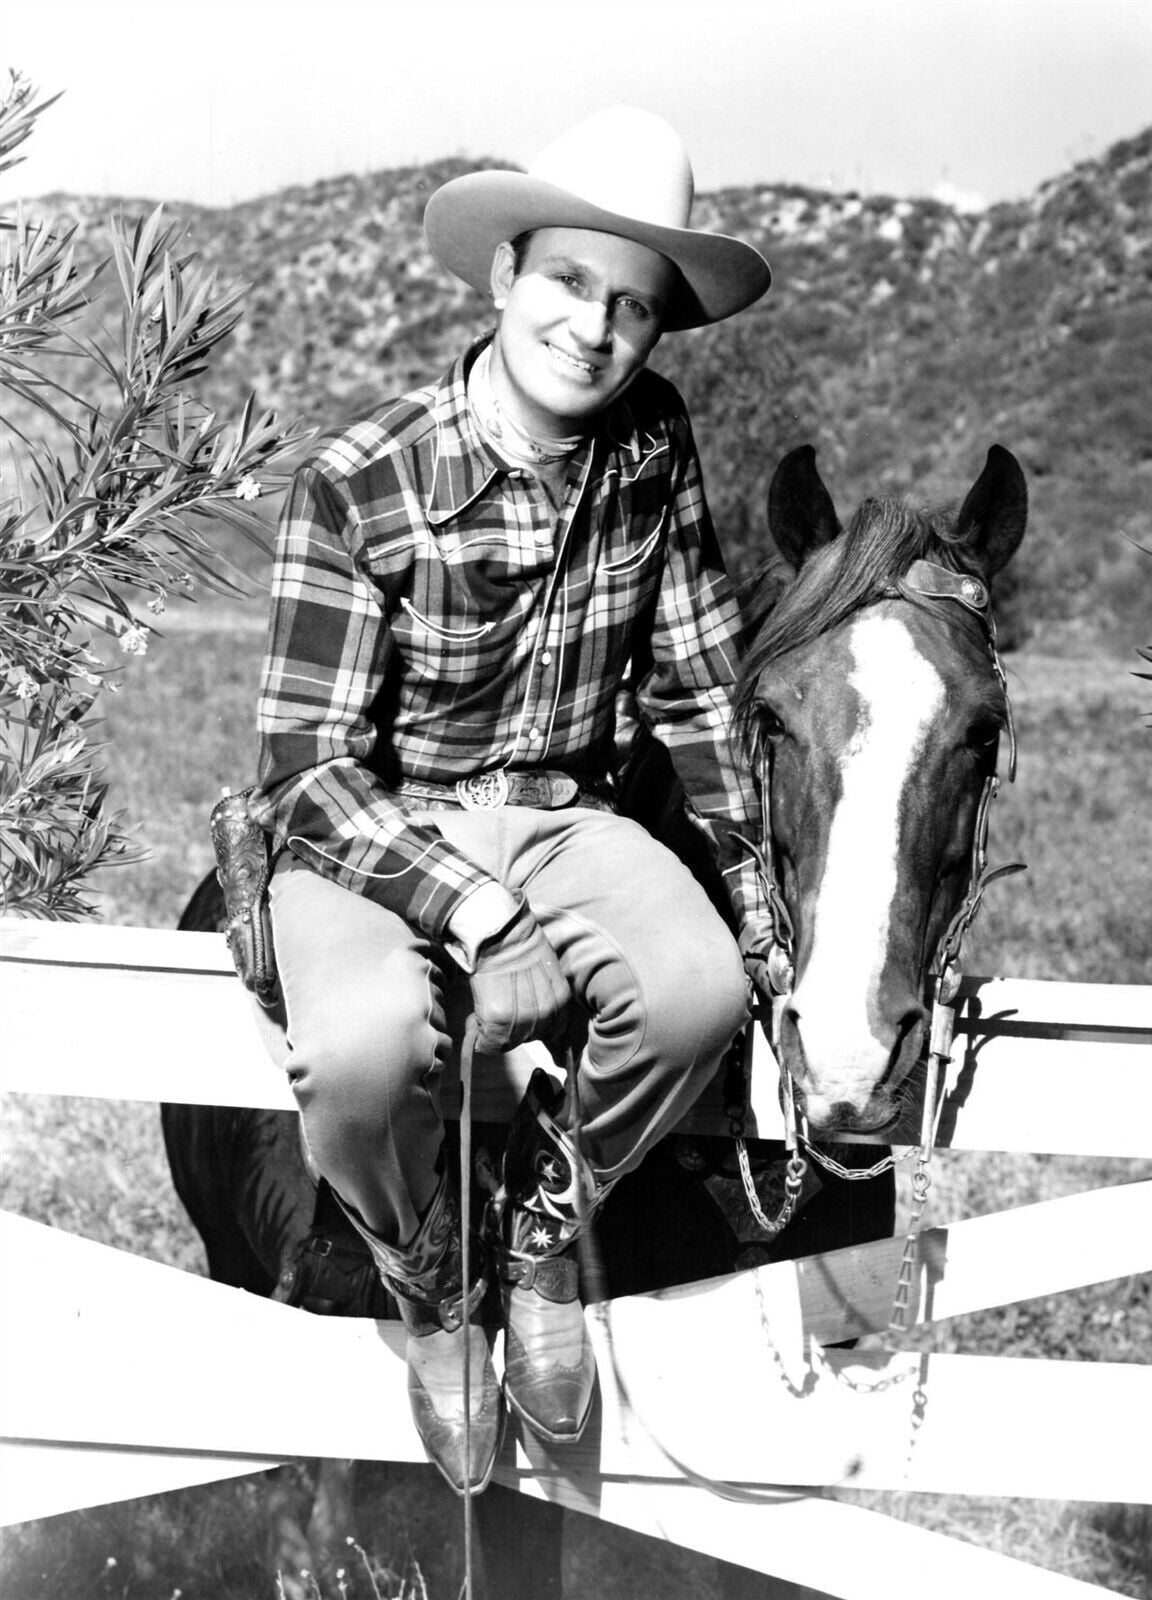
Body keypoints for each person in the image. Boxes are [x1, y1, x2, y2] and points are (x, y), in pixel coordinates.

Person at [251, 105, 777, 1495]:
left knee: (696, 995)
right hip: (380, 830)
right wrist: (480, 910)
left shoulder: (651, 448)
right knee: (358, 1061)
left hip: (568, 815)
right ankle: (426, 1274)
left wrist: (763, 903)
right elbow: (305, 774)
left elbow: (705, 690)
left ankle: (546, 1229)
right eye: (569, 283)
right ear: (502, 278)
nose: (596, 330)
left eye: (635, 307)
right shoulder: (360, 479)